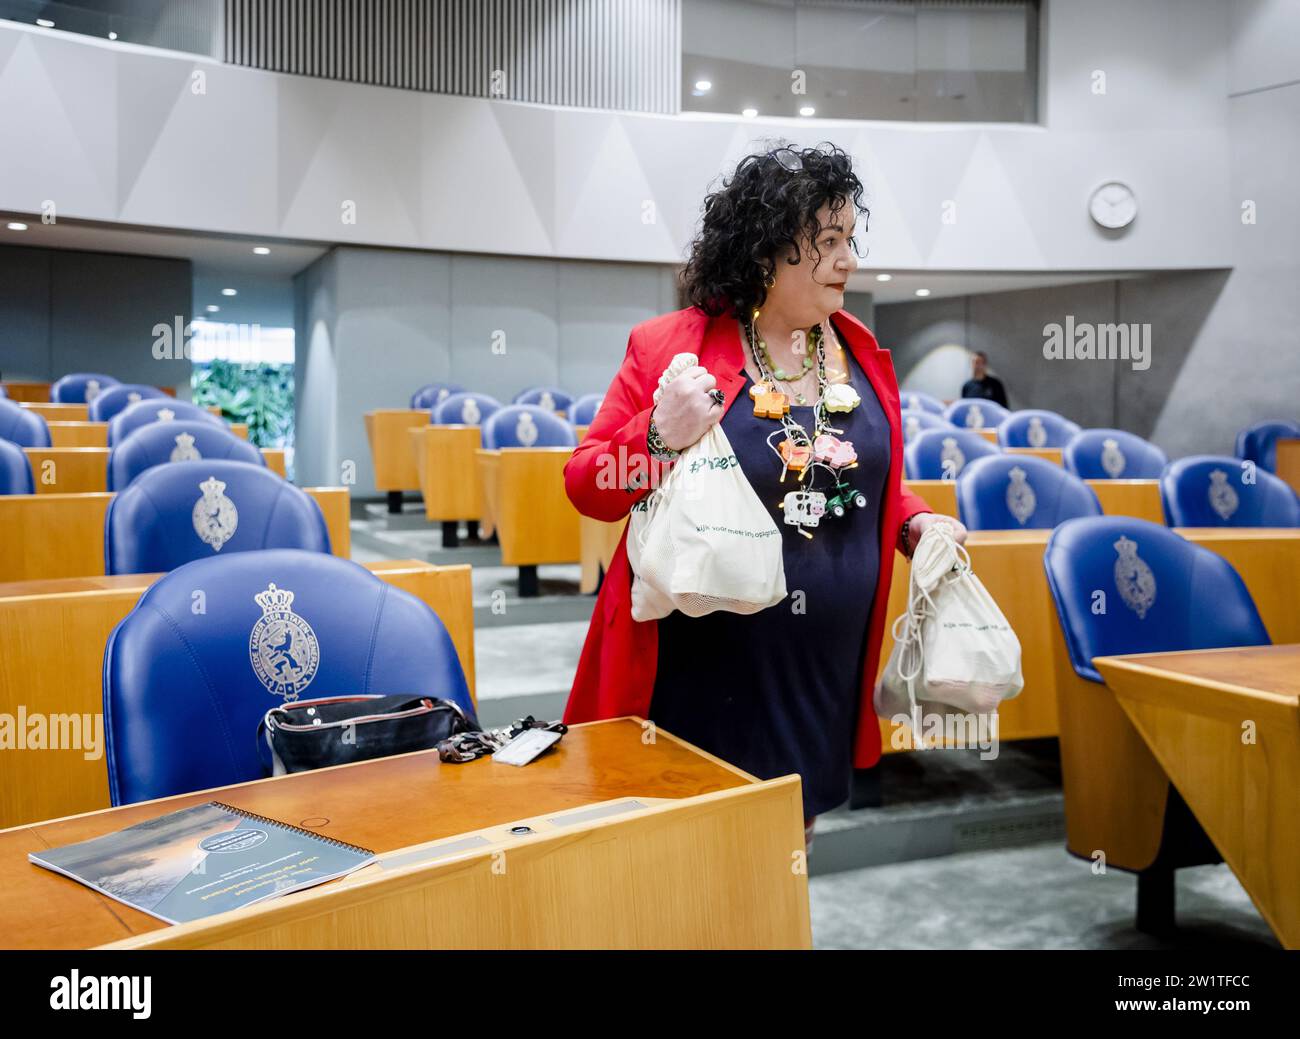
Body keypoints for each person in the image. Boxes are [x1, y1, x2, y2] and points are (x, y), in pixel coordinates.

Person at [561, 142, 967, 853]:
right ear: (767, 250)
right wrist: (658, 435)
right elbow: (589, 484)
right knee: (693, 865)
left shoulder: (859, 351)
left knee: (784, 857)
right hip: (707, 666)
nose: (849, 260)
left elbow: (862, 478)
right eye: (829, 241)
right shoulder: (672, 345)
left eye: (850, 239)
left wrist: (913, 520)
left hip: (822, 669)